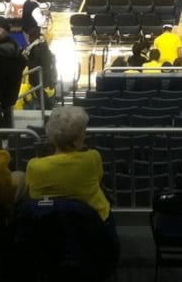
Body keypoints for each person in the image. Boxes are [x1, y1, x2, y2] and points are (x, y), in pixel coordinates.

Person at [24, 107, 116, 263]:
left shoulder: (34, 166)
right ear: (76, 140)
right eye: (83, 132)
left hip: (49, 240)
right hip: (95, 237)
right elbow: (99, 178)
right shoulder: (93, 159)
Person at [22, 24, 57, 105]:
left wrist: (26, 61)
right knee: (41, 92)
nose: (26, 38)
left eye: (27, 36)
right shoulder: (41, 42)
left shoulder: (36, 47)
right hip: (44, 74)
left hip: (39, 75)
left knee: (41, 93)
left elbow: (35, 62)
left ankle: (47, 107)